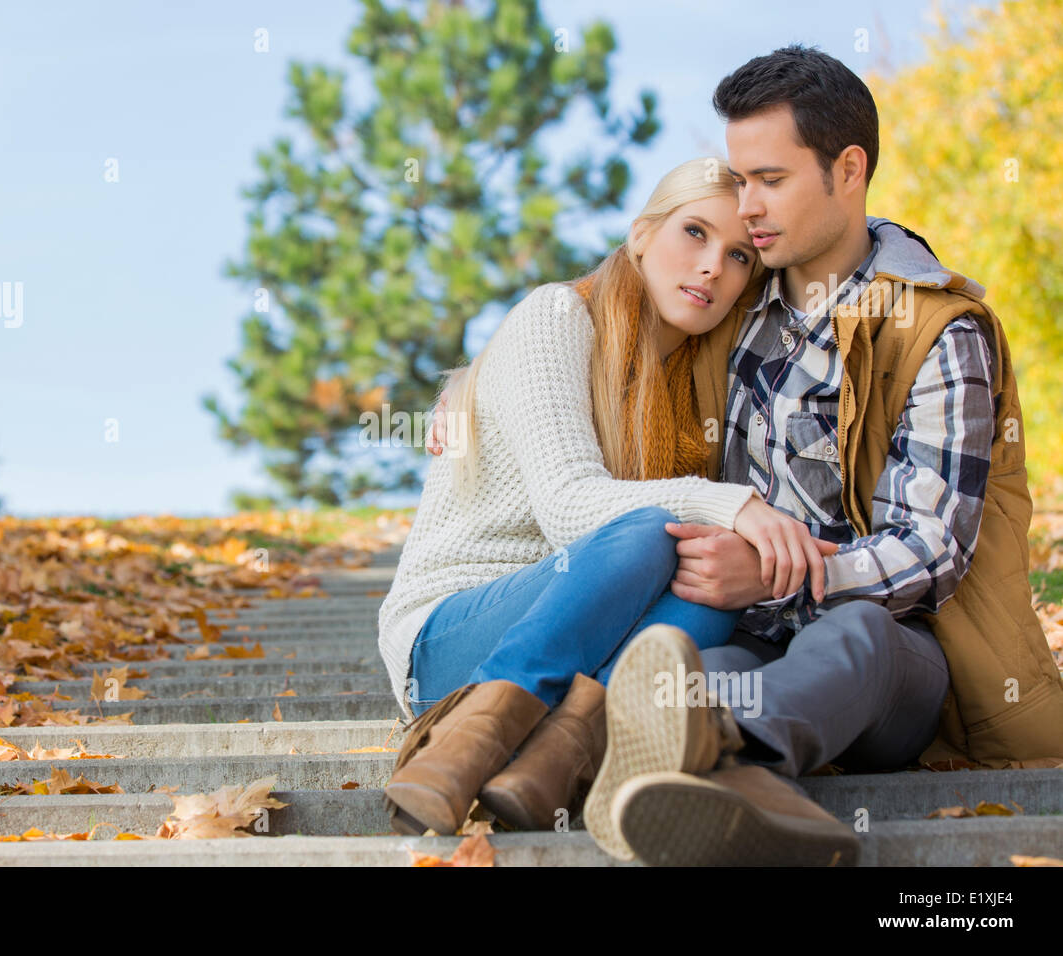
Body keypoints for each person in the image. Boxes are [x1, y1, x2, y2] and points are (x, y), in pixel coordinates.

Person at [533, 44, 1063, 866]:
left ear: (847, 170)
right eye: (739, 180)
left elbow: (932, 550)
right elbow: (618, 307)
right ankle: (748, 793)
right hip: (745, 637)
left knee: (853, 636)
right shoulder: (738, 302)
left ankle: (707, 741)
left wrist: (777, 573)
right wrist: (488, 382)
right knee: (670, 670)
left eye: (770, 180)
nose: (746, 208)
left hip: (895, 661)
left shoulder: (935, 332)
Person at [377, 156, 836, 840]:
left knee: (712, 574)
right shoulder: (556, 316)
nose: (713, 266)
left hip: (583, 645)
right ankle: (459, 748)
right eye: (694, 233)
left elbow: (838, 241)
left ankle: (551, 763)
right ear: (641, 234)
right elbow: (569, 506)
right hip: (449, 644)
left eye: (738, 255)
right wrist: (730, 502)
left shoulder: (694, 382)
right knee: (653, 529)